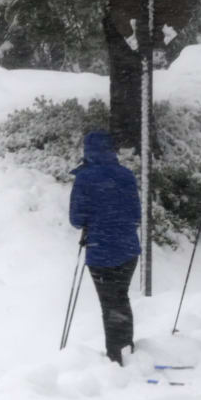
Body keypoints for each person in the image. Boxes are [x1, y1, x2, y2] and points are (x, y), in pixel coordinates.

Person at [67, 129, 143, 362]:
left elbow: (76, 219)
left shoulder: (85, 178)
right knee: (120, 298)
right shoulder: (126, 175)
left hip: (101, 250)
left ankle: (115, 356)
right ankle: (126, 348)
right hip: (128, 249)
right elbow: (136, 215)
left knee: (110, 303)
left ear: (88, 150)